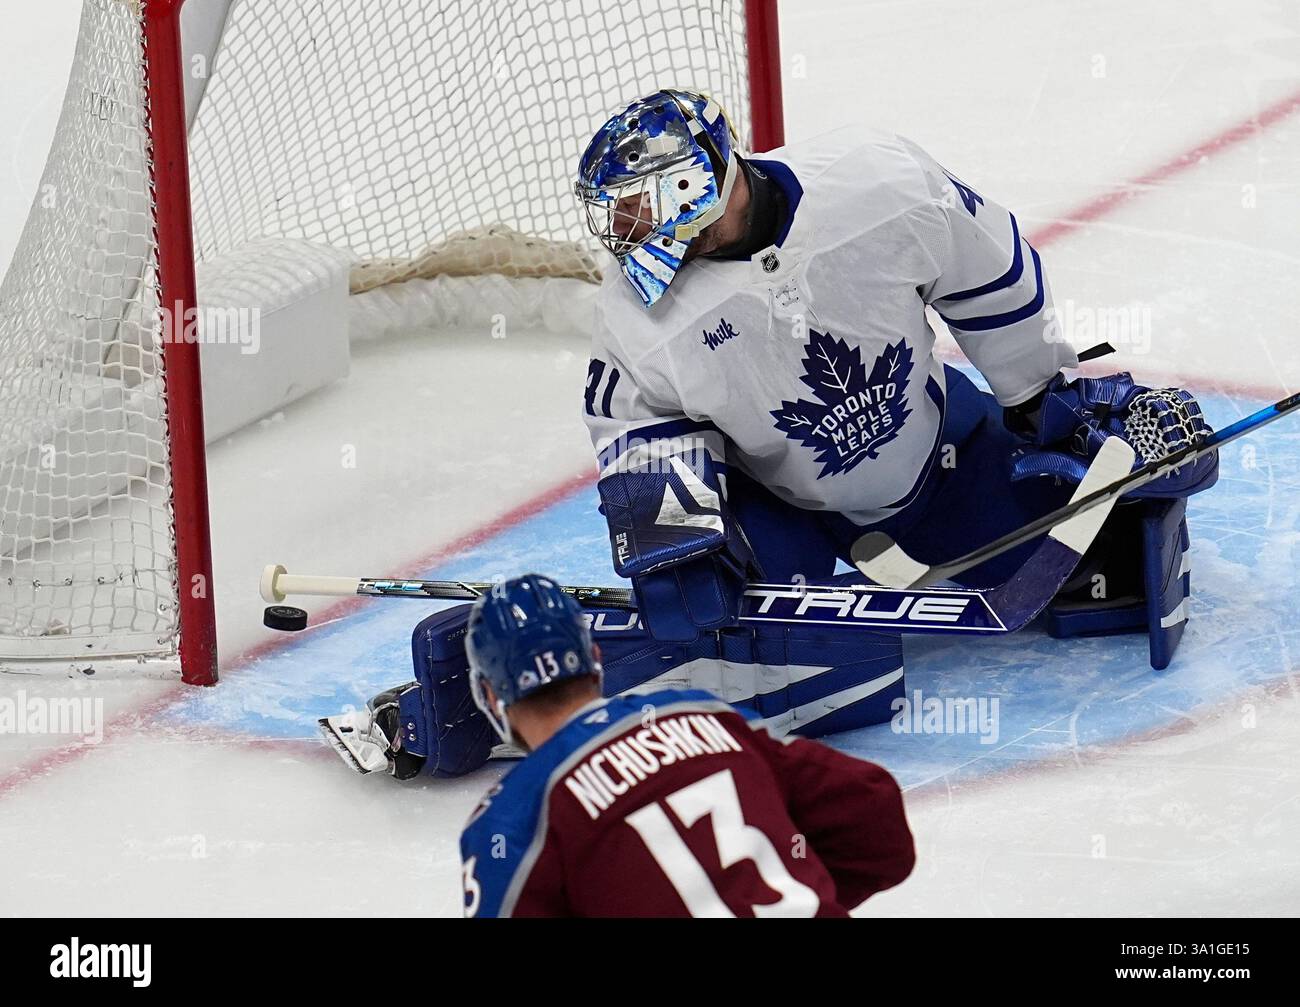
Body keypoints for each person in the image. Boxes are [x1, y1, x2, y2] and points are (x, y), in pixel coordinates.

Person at [319, 88, 1219, 782]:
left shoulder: (876, 183)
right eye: (619, 215)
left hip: (940, 456)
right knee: (817, 669)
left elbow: (987, 259)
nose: (628, 235)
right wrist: (679, 545)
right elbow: (632, 414)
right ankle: (484, 696)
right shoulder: (643, 311)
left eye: (641, 207)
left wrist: (1042, 394)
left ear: (695, 184)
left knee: (1111, 531)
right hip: (779, 505)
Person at [456, 573, 914, 917]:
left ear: (492, 695)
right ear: (594, 658)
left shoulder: (514, 817)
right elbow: (877, 824)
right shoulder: (705, 716)